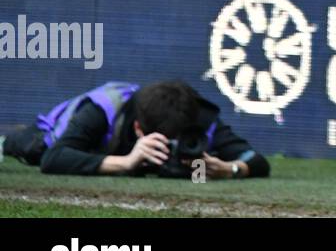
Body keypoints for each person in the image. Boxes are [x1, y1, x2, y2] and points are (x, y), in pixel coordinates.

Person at [3, 80, 269, 179]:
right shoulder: (106, 108)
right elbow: (54, 159)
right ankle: (6, 140)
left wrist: (229, 169)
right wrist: (126, 162)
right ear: (139, 128)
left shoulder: (204, 121)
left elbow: (255, 161)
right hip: (65, 133)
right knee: (37, 147)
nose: (169, 150)